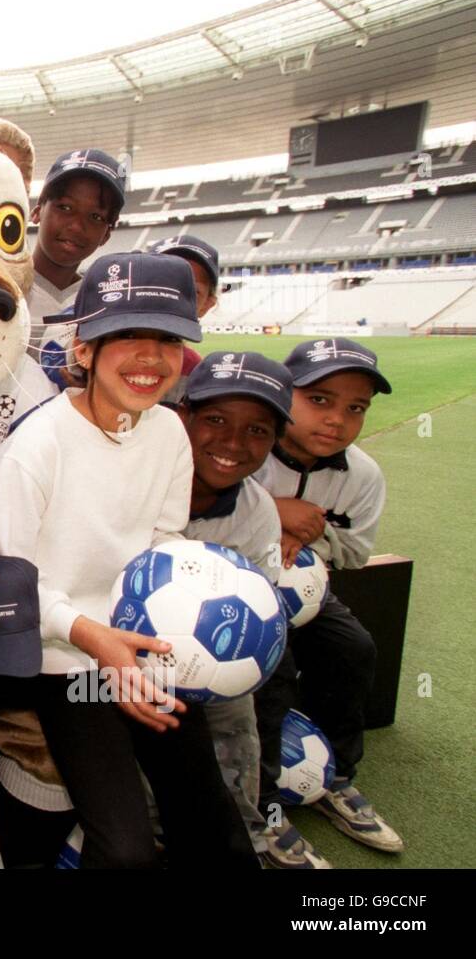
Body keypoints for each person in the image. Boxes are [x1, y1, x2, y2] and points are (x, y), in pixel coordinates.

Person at [0, 252, 255, 869]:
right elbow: (15, 586)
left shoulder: (169, 434)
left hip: (144, 646)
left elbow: (161, 541)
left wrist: (175, 624)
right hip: (64, 660)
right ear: (83, 349)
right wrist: (97, 643)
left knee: (209, 815)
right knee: (125, 849)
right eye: (127, 335)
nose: (150, 358)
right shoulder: (33, 450)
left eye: (166, 339)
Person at [252, 338, 402, 863]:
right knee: (273, 677)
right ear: (284, 392)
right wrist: (272, 512)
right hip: (242, 598)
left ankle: (336, 775)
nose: (336, 419)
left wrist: (307, 532)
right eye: (319, 399)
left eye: (355, 408)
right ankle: (263, 806)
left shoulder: (362, 475)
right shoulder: (249, 445)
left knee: (355, 648)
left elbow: (356, 555)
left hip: (307, 594)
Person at [177, 350, 300, 865]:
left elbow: (259, 615)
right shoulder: (131, 478)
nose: (232, 443)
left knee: (236, 721)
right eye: (215, 420)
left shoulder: (256, 514)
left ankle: (244, 828)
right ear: (182, 416)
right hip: (107, 661)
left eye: (257, 431)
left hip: (209, 660)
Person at [25, 149, 125, 387]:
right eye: (65, 207)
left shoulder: (106, 306)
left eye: (96, 217)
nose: (77, 226)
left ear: (106, 235)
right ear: (37, 211)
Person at [148, 235, 223, 401]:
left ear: (206, 305)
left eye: (192, 290)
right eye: (162, 282)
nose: (172, 295)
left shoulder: (194, 372)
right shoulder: (94, 349)